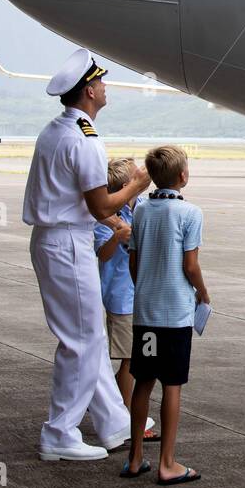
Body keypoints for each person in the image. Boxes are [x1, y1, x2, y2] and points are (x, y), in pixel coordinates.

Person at [23, 48, 154, 462]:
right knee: (80, 341)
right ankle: (59, 433)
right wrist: (137, 184)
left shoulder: (56, 130)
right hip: (67, 243)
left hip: (55, 240)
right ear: (90, 92)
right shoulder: (85, 140)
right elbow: (101, 206)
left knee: (89, 337)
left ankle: (115, 424)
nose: (104, 87)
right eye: (100, 82)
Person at [123, 145, 209, 485]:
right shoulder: (191, 214)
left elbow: (134, 261)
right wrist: (202, 292)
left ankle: (134, 458)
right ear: (183, 176)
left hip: (146, 313)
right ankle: (168, 463)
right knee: (172, 385)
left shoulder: (141, 210)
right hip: (174, 316)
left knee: (143, 381)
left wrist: (145, 288)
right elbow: (190, 265)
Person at [93, 158, 157, 445]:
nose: (142, 177)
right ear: (124, 187)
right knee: (131, 362)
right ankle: (127, 417)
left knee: (139, 359)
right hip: (121, 297)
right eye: (136, 176)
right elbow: (103, 255)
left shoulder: (142, 207)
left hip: (139, 294)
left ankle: (127, 414)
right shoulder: (107, 216)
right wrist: (117, 237)